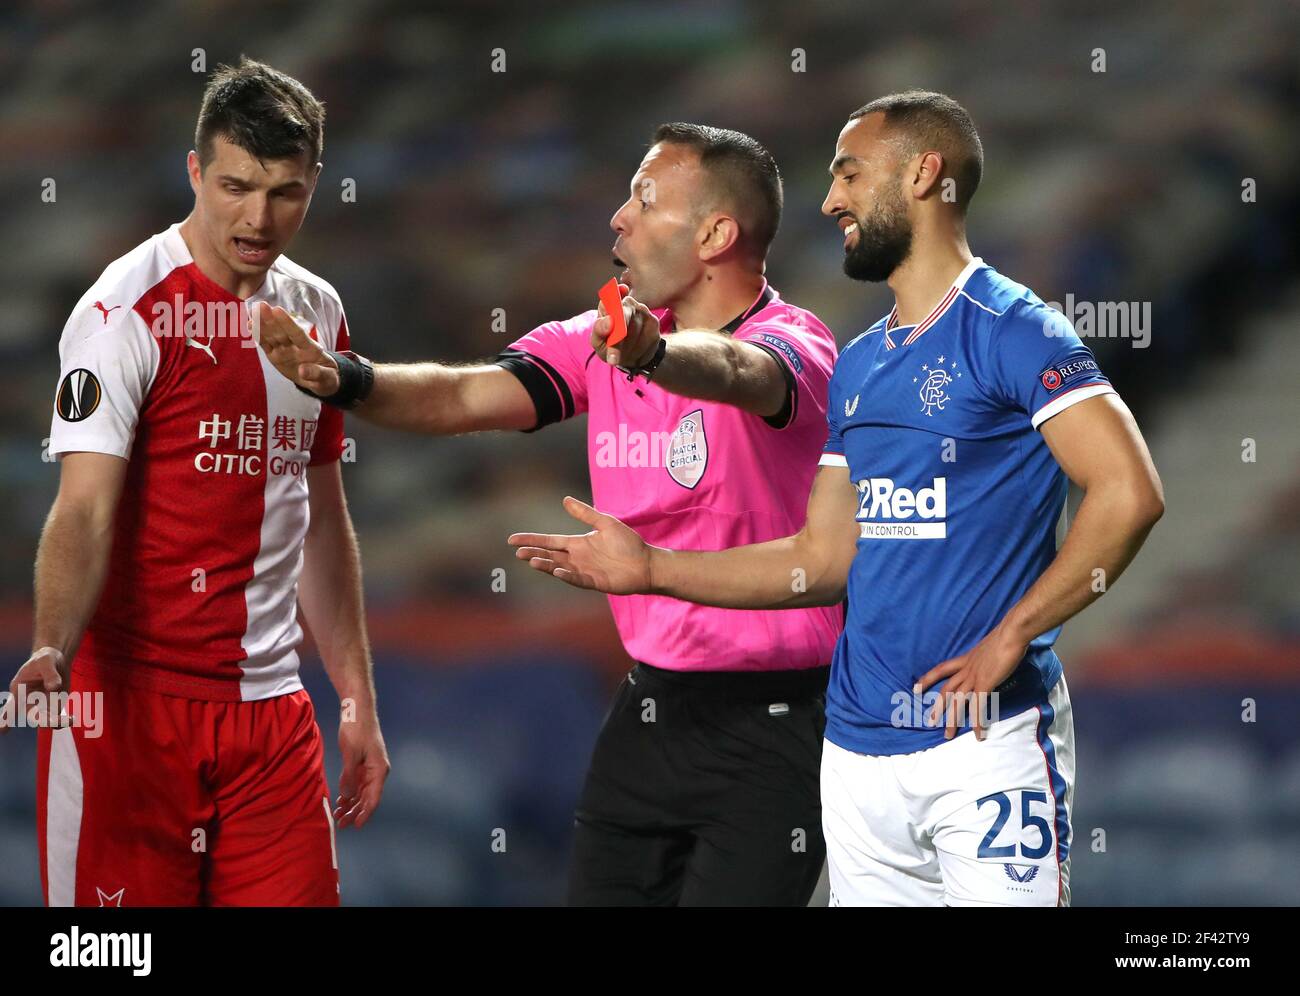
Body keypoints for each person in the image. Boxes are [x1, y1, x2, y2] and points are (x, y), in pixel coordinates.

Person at [509, 91, 1165, 907]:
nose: (830, 201)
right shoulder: (859, 363)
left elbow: (1130, 492)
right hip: (856, 753)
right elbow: (819, 560)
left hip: (984, 740)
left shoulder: (1015, 328)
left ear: (924, 176)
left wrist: (1017, 635)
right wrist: (652, 568)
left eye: (849, 174)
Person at [256, 123, 840, 906]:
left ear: (715, 233)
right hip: (648, 709)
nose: (618, 219)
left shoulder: (793, 343)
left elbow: (740, 372)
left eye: (643, 198)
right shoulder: (600, 339)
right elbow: (465, 395)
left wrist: (655, 358)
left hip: (782, 719)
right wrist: (348, 381)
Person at [4, 57, 389, 907]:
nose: (258, 216)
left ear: (316, 184)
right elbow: (82, 512)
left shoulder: (319, 315)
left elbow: (322, 520)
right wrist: (50, 648)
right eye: (235, 186)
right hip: (129, 711)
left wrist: (357, 700)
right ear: (194, 173)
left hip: (272, 717)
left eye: (285, 191)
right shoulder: (122, 314)